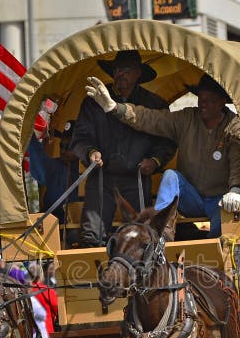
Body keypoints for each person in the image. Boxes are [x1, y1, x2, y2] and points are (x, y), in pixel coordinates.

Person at [85, 73, 240, 238]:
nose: (203, 104)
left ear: (222, 102)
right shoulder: (187, 118)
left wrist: (235, 190)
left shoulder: (233, 127)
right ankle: (161, 233)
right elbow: (152, 118)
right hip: (190, 197)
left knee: (223, 224)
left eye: (211, 100)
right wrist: (116, 108)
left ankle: (214, 252)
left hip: (219, 201)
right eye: (201, 98)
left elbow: (239, 161)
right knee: (171, 176)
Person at [71, 50, 176, 247]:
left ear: (138, 73)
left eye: (125, 70)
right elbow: (80, 138)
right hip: (102, 177)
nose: (119, 74)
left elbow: (167, 141)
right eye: (116, 69)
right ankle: (95, 277)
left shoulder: (154, 104)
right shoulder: (93, 102)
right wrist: (91, 152)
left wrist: (154, 161)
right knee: (91, 236)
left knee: (141, 234)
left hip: (136, 177)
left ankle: (138, 276)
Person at [29, 120, 80, 224]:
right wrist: (30, 136)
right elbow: (40, 163)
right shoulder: (57, 167)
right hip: (55, 228)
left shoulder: (92, 167)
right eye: (61, 146)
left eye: (68, 147)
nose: (62, 151)